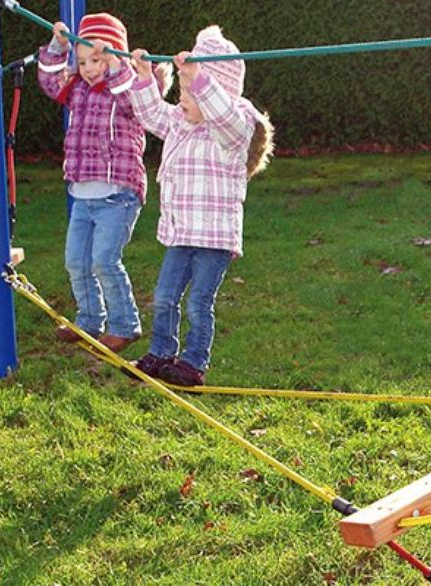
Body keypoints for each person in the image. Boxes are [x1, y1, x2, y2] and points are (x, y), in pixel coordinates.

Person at [110, 25, 273, 386]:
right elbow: (151, 114)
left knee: (198, 303)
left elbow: (223, 113)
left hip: (214, 238)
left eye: (190, 91)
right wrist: (143, 78)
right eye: (182, 89)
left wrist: (198, 79)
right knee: (164, 297)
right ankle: (160, 353)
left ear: (216, 93)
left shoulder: (235, 128)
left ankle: (193, 363)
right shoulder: (181, 122)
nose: (182, 97)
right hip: (182, 233)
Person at [37, 13, 170, 352]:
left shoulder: (129, 89)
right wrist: (58, 47)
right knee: (77, 262)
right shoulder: (77, 89)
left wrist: (116, 66)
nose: (88, 68)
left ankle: (125, 325)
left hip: (118, 194)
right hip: (83, 195)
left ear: (114, 57)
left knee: (104, 261)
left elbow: (131, 101)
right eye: (82, 61)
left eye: (96, 60)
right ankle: (89, 321)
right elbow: (50, 82)